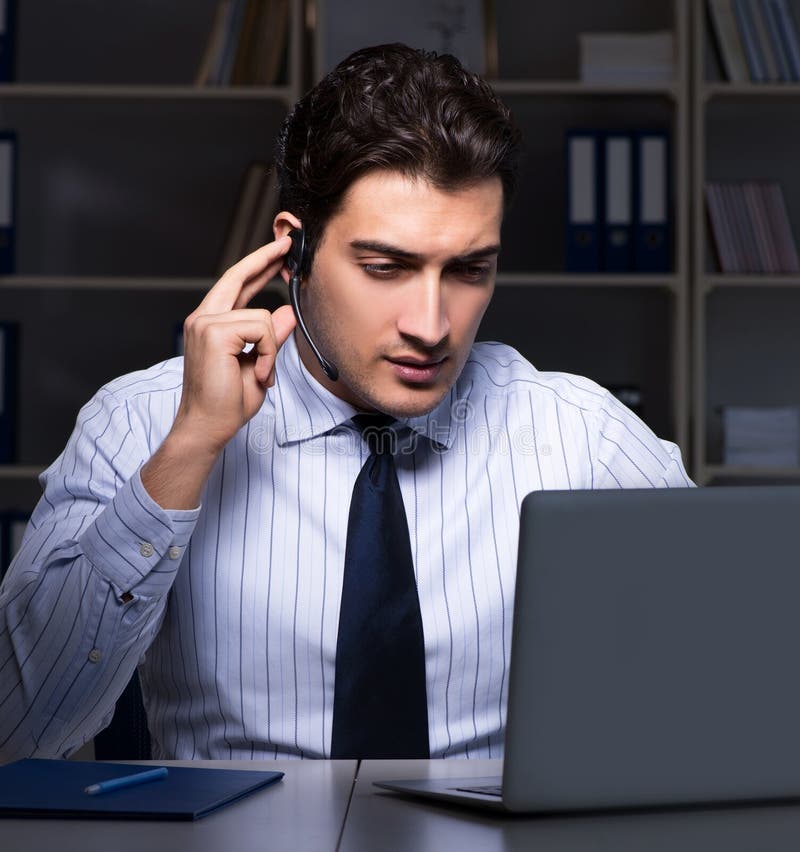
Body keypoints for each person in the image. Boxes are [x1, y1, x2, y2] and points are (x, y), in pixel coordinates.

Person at [0, 44, 692, 762]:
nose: (431, 326)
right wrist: (192, 445)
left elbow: (737, 666)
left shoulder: (581, 436)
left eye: (469, 270)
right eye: (385, 267)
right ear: (292, 253)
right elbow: (14, 734)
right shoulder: (139, 422)